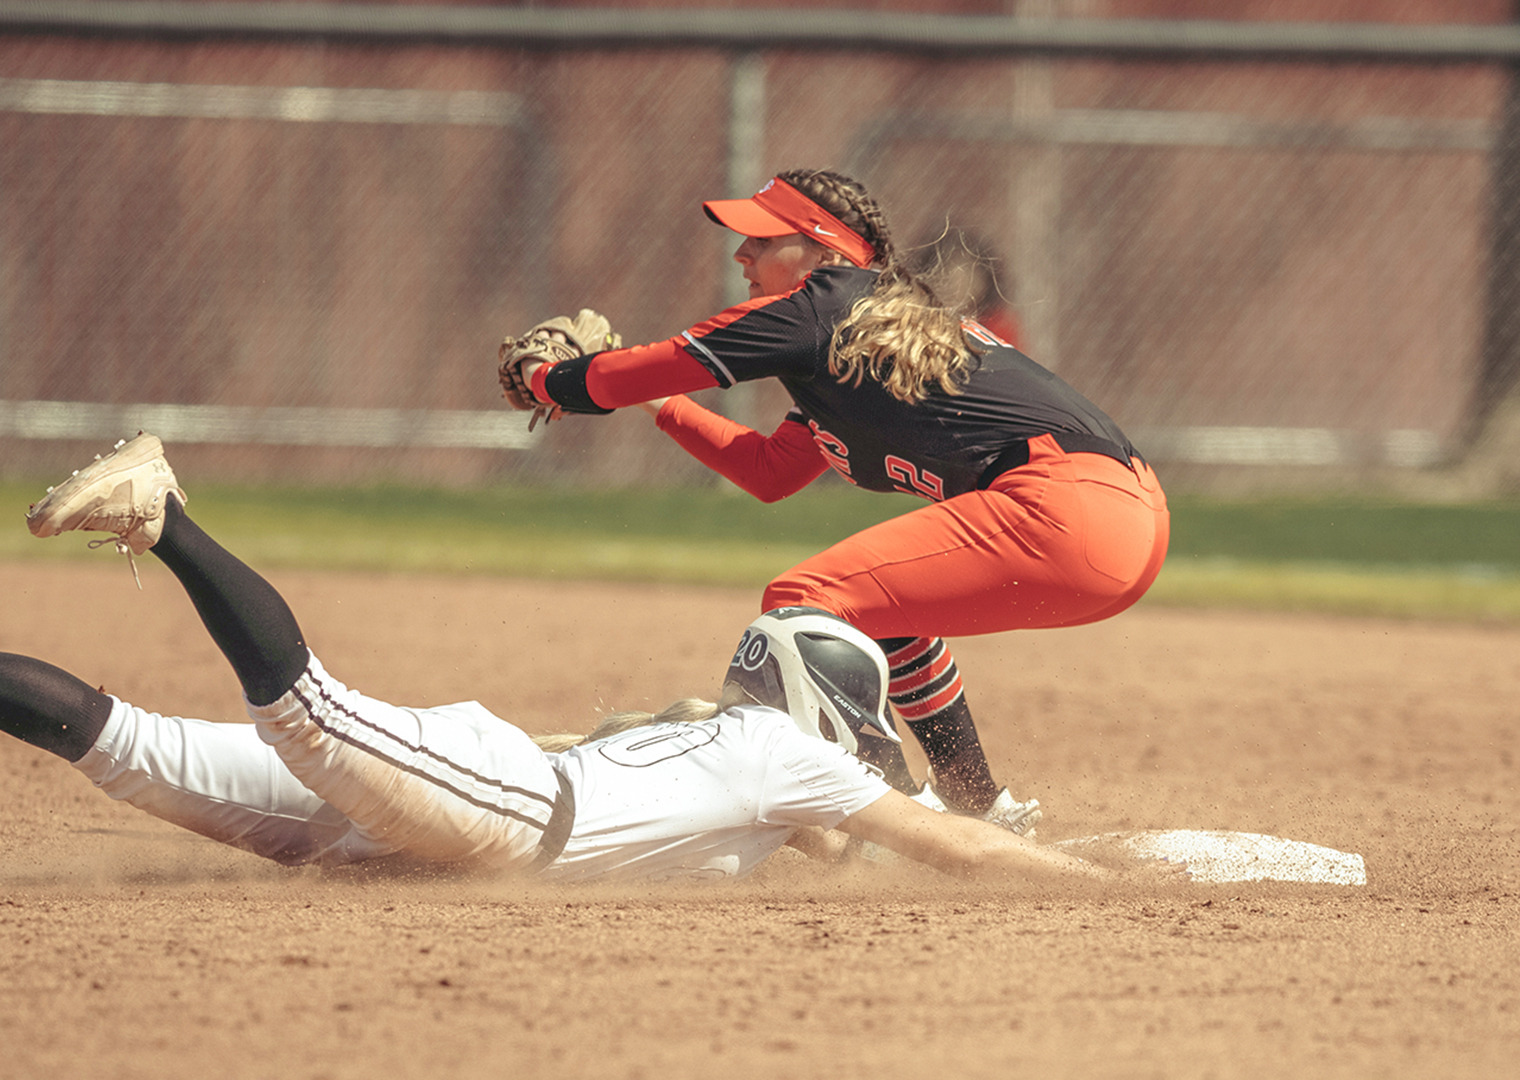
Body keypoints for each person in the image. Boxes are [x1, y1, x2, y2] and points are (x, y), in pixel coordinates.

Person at [0, 434, 1163, 887]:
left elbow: (851, 856)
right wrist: (1100, 889)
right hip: (497, 807)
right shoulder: (788, 766)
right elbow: (951, 853)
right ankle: (169, 517)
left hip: (466, 819)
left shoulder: (758, 773)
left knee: (134, 751)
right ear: (837, 712)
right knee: (308, 705)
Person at [499, 168, 1170, 833]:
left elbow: (644, 366)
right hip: (1124, 519)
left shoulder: (818, 305)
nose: (743, 255)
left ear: (822, 251)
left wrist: (550, 378)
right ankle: (975, 806)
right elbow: (771, 471)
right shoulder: (855, 336)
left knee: (804, 599)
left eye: (763, 240)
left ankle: (892, 817)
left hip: (1065, 506)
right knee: (878, 606)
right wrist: (661, 407)